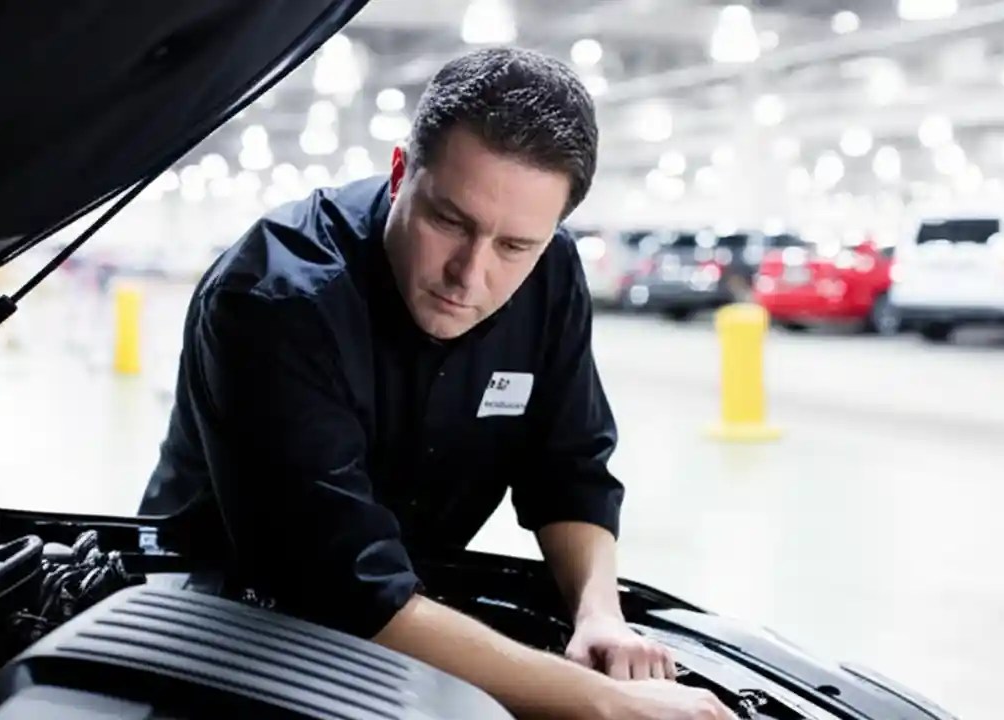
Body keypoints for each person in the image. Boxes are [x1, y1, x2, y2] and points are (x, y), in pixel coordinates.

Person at [144, 47, 735, 719]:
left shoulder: (551, 272)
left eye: (515, 246)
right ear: (401, 173)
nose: (469, 273)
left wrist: (598, 614)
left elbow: (569, 468)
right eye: (449, 221)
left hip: (408, 620)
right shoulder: (276, 298)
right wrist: (602, 703)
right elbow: (341, 584)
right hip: (219, 621)